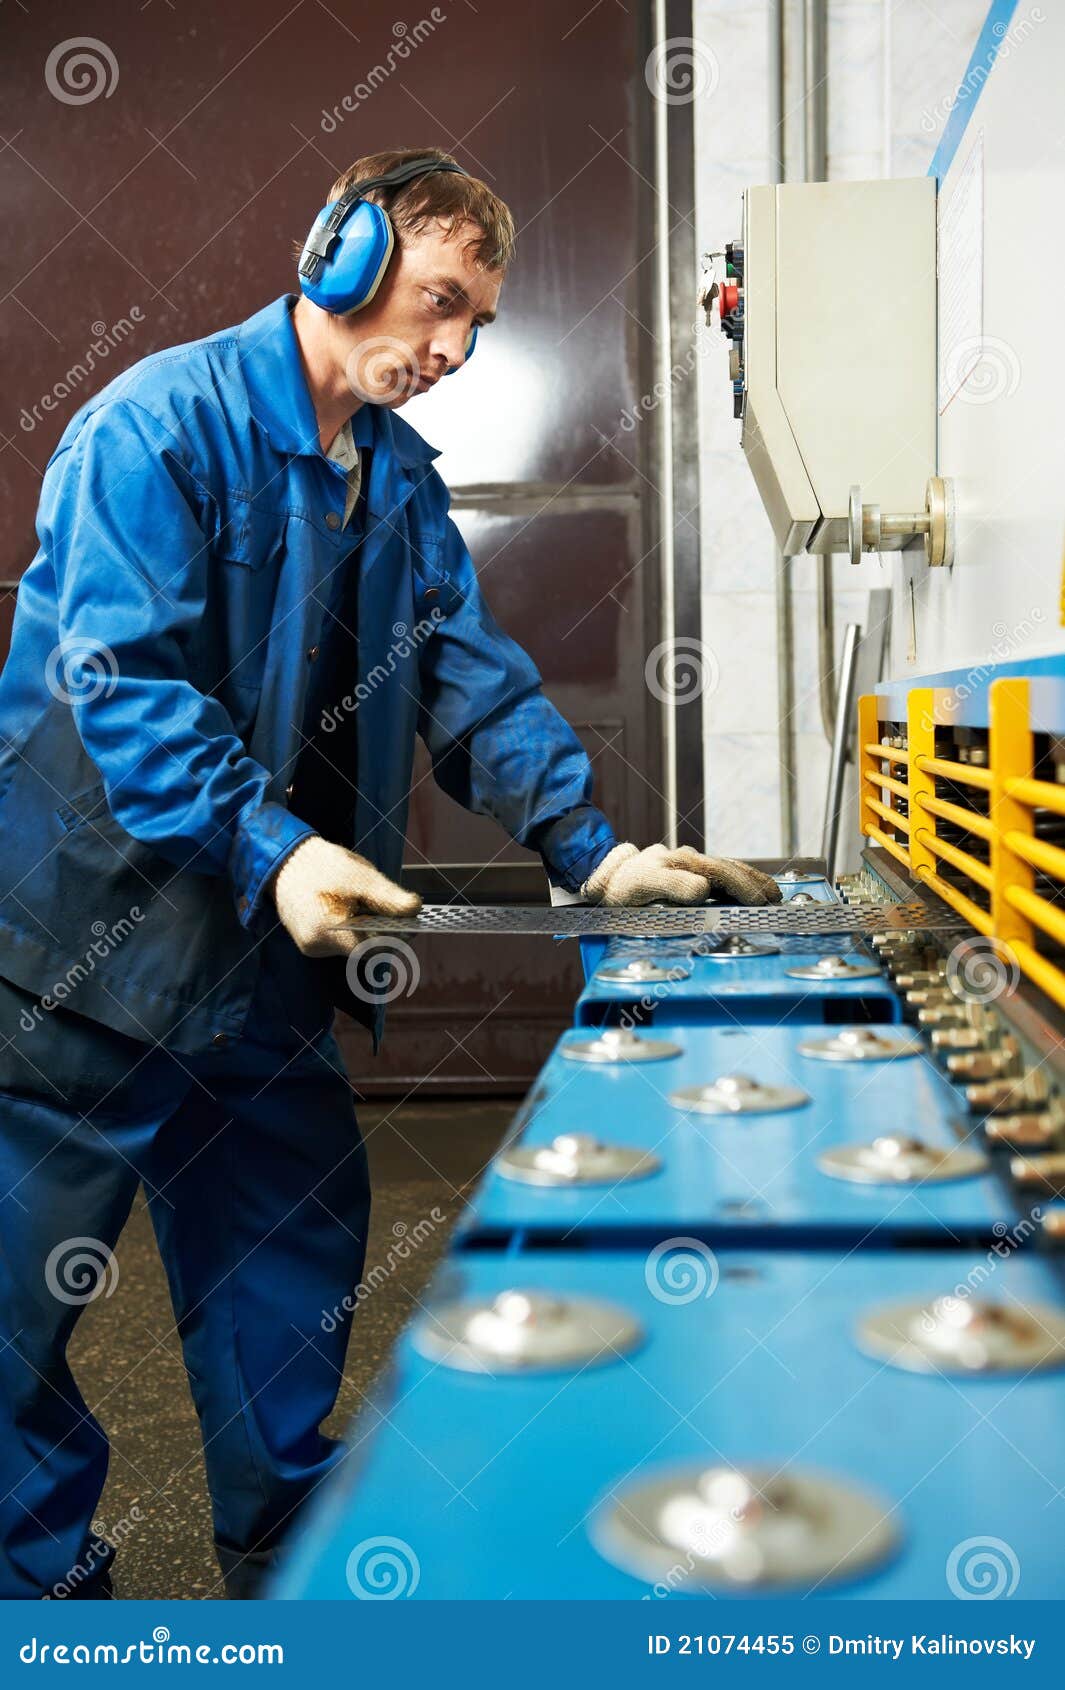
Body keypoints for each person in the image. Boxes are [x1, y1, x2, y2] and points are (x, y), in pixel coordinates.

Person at [0, 147, 780, 1600]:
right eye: (437, 302)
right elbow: (123, 688)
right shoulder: (155, 429)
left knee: (284, 1283)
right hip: (83, 957)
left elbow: (470, 683)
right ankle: (44, 1608)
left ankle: (290, 1570)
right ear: (340, 257)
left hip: (262, 962)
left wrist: (590, 849)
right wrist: (273, 844)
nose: (451, 350)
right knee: (13, 1322)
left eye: (477, 322)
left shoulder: (400, 485)